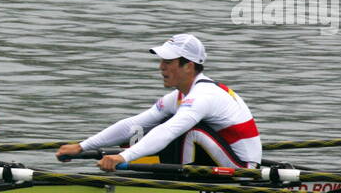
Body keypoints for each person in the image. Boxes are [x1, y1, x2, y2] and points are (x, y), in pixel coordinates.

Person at [57, 33, 261, 172]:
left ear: (188, 66)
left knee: (185, 130)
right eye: (161, 61)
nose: (161, 67)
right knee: (142, 130)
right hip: (219, 158)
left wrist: (123, 157)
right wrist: (82, 146)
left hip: (242, 170)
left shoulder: (204, 95)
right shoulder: (179, 96)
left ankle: (176, 186)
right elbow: (133, 124)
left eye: (168, 62)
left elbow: (169, 131)